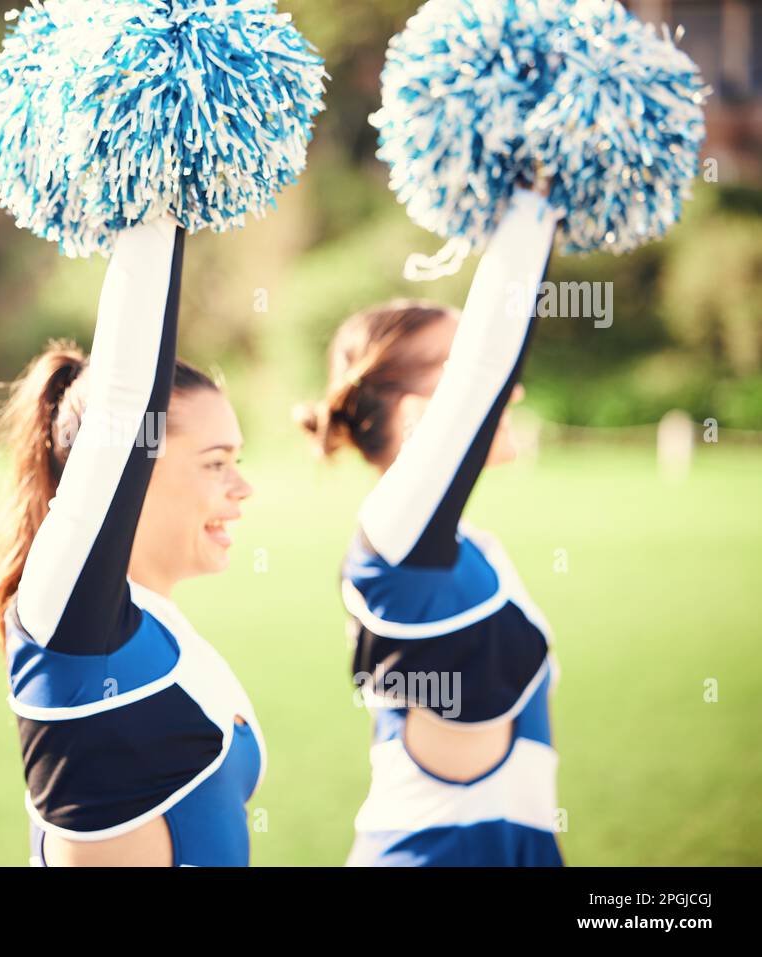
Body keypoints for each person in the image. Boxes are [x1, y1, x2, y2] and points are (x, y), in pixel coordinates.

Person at [299, 185, 565, 865]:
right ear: (425, 413)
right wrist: (536, 199)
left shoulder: (466, 548)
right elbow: (484, 371)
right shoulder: (389, 551)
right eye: (480, 369)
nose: (514, 388)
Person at [0, 219, 263, 866]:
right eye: (216, 461)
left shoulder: (158, 630)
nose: (243, 487)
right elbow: (125, 402)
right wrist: (161, 191)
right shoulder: (70, 628)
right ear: (132, 466)